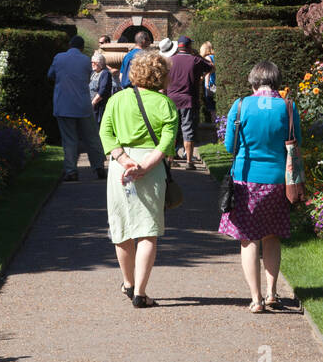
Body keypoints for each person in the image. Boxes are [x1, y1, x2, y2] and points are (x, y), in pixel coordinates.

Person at [220, 60, 304, 313]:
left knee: (248, 239)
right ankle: (272, 292)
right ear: (275, 81)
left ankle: (255, 299)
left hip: (246, 178)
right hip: (278, 180)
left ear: (254, 81)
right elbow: (296, 141)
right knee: (271, 236)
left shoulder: (241, 105)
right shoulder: (288, 107)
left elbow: (228, 146)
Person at [100, 50, 179, 308]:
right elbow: (167, 142)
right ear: (161, 76)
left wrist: (124, 160)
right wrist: (144, 166)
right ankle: (140, 293)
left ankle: (129, 283)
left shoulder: (117, 99)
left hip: (119, 168)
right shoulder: (165, 104)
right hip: (150, 168)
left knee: (121, 228)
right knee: (147, 231)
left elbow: (106, 132)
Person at [48, 36, 108, 182]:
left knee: (69, 140)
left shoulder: (59, 58)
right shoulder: (86, 61)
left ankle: (71, 171)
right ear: (82, 48)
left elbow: (50, 75)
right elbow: (88, 77)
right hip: (83, 104)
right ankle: (99, 167)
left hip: (64, 104)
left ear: (69, 45)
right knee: (92, 137)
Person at [167, 36, 212, 171]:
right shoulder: (195, 60)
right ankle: (189, 161)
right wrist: (200, 74)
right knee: (188, 130)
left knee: (171, 130)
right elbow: (211, 67)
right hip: (188, 100)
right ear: (189, 46)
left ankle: (170, 159)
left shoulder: (170, 60)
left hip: (171, 100)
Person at [90, 49, 114, 123]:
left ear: (100, 63)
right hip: (92, 107)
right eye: (92, 62)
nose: (92, 64)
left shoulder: (105, 74)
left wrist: (93, 103)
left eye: (94, 63)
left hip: (99, 107)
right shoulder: (94, 73)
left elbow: (102, 91)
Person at [200, 41, 218, 126]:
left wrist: (206, 84)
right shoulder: (214, 57)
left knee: (211, 107)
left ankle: (214, 124)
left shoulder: (207, 58)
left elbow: (208, 71)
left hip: (210, 84)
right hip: (215, 83)